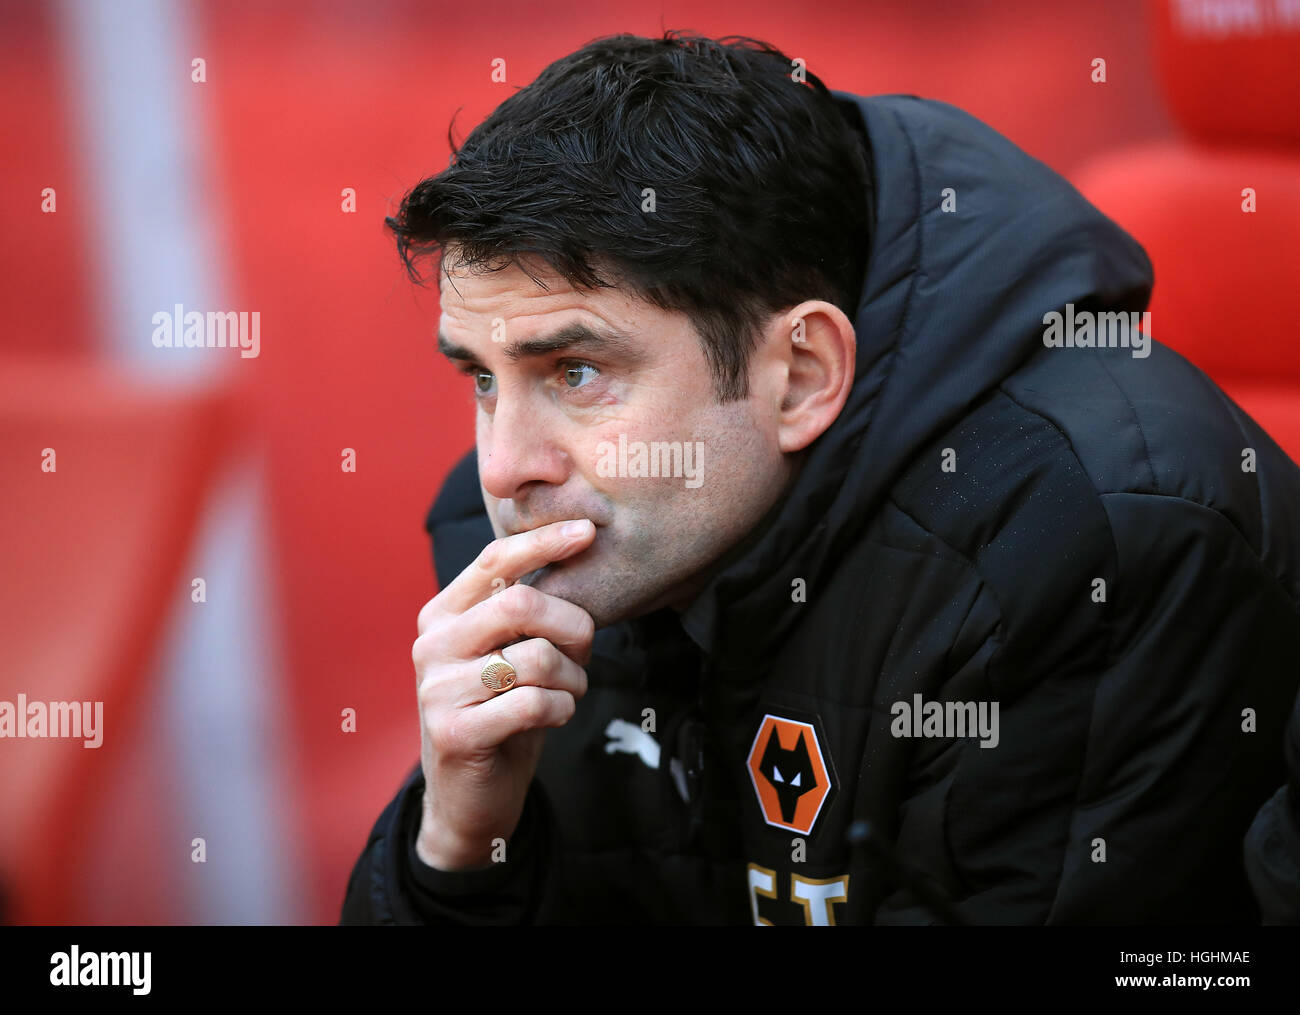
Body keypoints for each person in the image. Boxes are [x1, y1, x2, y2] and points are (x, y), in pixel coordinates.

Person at [340, 31, 1300, 925]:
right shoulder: (518, 543)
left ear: (799, 375)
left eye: (576, 373)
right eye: (479, 376)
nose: (503, 469)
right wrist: (457, 850)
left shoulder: (1089, 548)